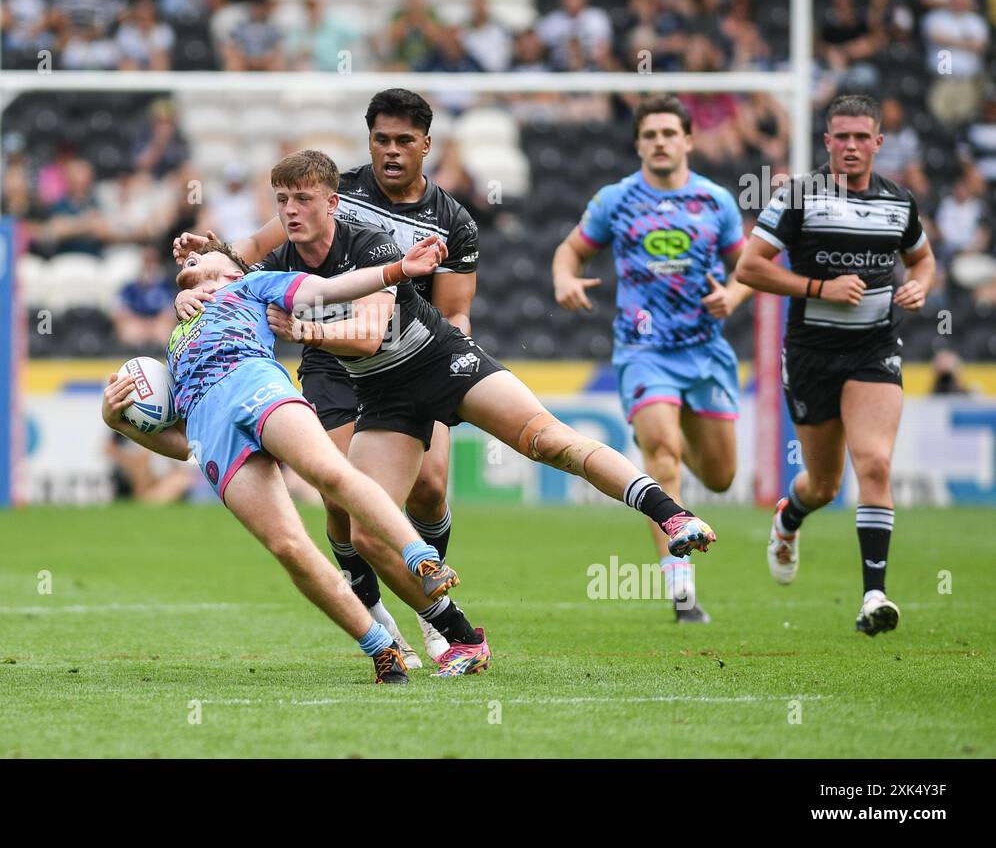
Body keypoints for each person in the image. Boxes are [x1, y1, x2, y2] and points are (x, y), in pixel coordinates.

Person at [175, 151, 718, 668]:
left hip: (441, 362)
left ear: (332, 202)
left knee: (548, 441)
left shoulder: (372, 243)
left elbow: (366, 337)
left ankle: (672, 515)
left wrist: (303, 330)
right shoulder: (277, 263)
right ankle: (461, 637)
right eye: (282, 200)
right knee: (366, 532)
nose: (290, 210)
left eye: (303, 199)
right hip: (384, 397)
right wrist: (191, 287)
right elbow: (227, 273)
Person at [174, 90, 478, 666]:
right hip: (329, 363)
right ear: (370, 141)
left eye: (403, 140)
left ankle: (425, 604)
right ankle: (391, 613)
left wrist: (456, 359)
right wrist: (205, 263)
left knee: (432, 486)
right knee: (337, 493)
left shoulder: (452, 219)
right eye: (381, 138)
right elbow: (251, 255)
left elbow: (456, 308)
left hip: (407, 359)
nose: (390, 150)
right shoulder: (331, 190)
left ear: (425, 146)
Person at [103, 235, 470, 683]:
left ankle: (422, 560)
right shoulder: (176, 334)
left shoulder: (252, 284)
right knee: (288, 547)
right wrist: (121, 423)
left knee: (328, 472)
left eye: (204, 258)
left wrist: (397, 271)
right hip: (209, 431)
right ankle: (382, 650)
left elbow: (325, 292)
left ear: (233, 271)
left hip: (255, 383)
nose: (185, 259)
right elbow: (181, 446)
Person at [736, 94, 935, 637]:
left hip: (875, 349)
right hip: (811, 353)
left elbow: (920, 256)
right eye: (840, 137)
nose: (850, 146)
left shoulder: (899, 201)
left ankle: (875, 595)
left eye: (860, 137)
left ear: (878, 141)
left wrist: (919, 285)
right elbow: (750, 268)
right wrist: (820, 287)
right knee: (823, 484)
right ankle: (789, 519)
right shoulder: (799, 197)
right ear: (827, 142)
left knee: (873, 463)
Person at [552, 95, 751, 623]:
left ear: (688, 139)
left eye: (670, 133)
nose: (660, 142)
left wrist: (733, 296)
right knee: (662, 455)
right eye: (651, 134)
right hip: (644, 350)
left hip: (706, 352)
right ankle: (682, 592)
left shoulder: (716, 202)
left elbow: (748, 267)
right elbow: (570, 250)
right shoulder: (616, 200)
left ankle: (665, 432)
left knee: (722, 475)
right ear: (638, 143)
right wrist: (565, 278)